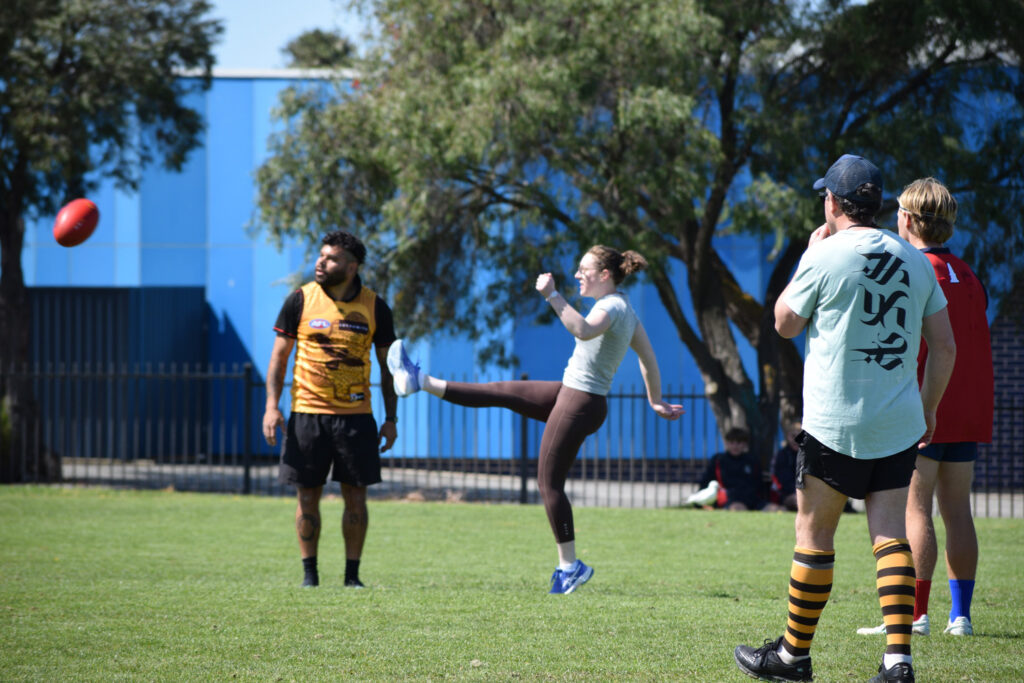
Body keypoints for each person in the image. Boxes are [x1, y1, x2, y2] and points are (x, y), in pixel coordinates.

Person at [733, 154, 956, 683]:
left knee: (814, 536)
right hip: (897, 423)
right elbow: (944, 348)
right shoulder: (915, 259)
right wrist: (927, 410)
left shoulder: (826, 254)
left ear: (832, 202)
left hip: (834, 423)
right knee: (890, 538)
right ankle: (898, 662)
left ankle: (792, 656)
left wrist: (809, 256)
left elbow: (784, 323)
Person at [386, 245, 684, 594]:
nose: (576, 275)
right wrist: (655, 399)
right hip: (573, 394)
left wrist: (552, 295)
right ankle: (417, 381)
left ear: (604, 275)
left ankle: (570, 567)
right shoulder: (625, 308)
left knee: (548, 482)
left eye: (583, 270)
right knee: (500, 391)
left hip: (579, 402)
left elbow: (584, 330)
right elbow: (648, 359)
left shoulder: (613, 307)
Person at [857, 178, 993, 638]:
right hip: (970, 407)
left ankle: (915, 615)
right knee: (958, 510)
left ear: (909, 220)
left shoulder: (911, 268)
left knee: (914, 509)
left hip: (924, 404)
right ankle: (961, 617)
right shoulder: (969, 274)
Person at [262, 230, 399, 588]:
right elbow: (278, 358)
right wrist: (271, 407)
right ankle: (310, 576)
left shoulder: (375, 306)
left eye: (332, 258)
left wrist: (391, 419)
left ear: (352, 267)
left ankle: (352, 577)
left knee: (355, 496)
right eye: (321, 256)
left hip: (357, 419)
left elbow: (388, 368)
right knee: (307, 495)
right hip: (307, 414)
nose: (321, 262)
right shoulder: (300, 300)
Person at [691, 427, 765, 510]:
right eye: (732, 442)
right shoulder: (718, 460)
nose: (735, 446)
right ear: (726, 443)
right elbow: (706, 483)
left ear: (745, 444)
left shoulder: (752, 460)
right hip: (728, 499)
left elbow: (758, 484)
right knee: (737, 508)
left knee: (774, 508)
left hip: (751, 499)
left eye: (739, 442)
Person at [766, 421, 800, 512]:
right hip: (787, 495)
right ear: (788, 437)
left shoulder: (809, 455)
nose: (796, 440)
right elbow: (783, 482)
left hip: (805, 494)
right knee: (799, 500)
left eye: (800, 436)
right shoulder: (782, 456)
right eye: (793, 436)